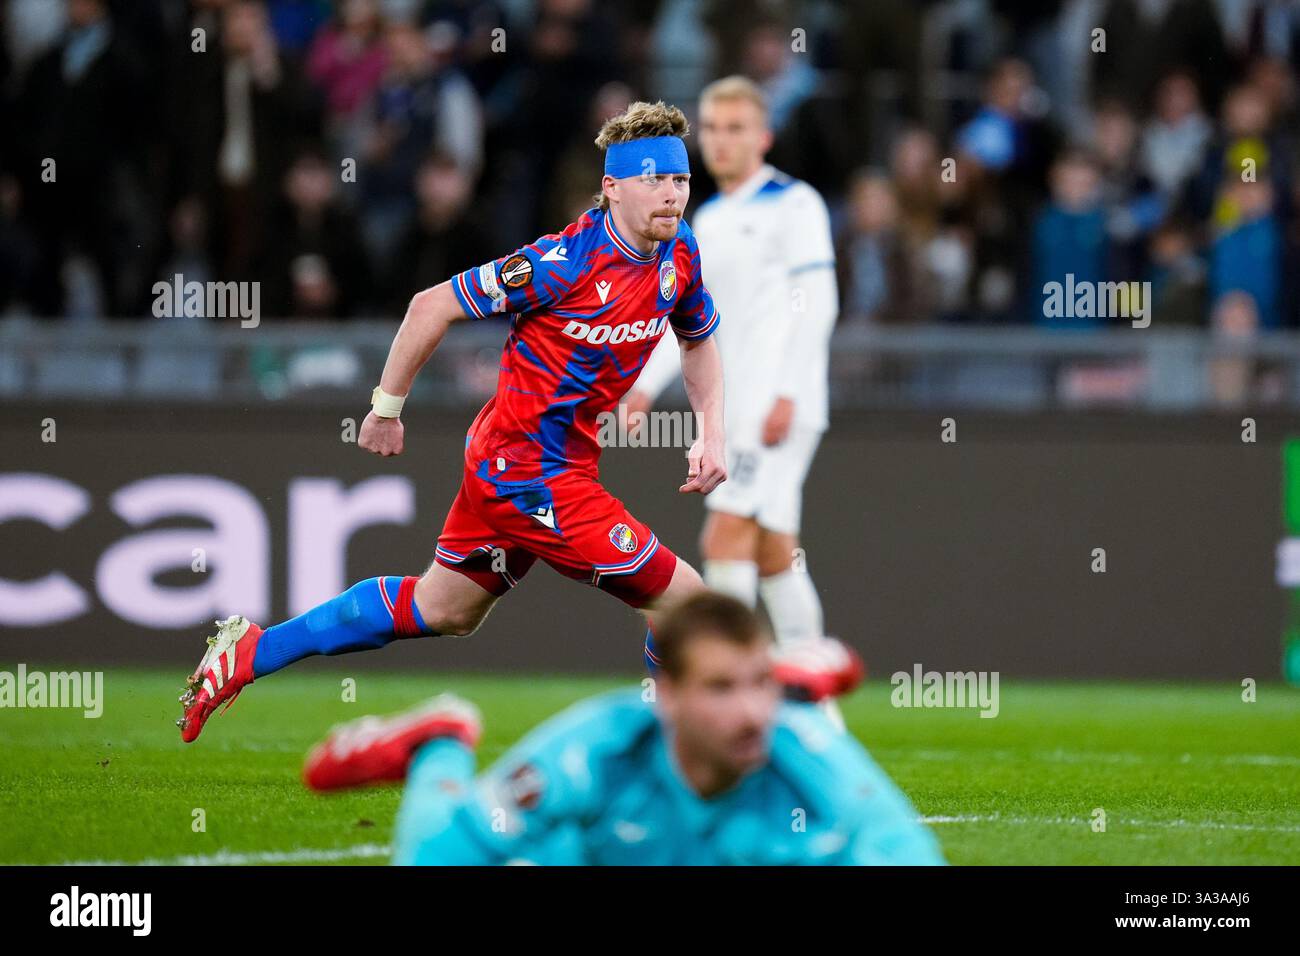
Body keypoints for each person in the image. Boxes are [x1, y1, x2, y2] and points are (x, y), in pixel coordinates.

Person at [302, 591, 940, 866]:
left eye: (759, 686)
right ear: (666, 697)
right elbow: (440, 854)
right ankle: (438, 743)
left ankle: (804, 673)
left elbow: (906, 850)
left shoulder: (809, 758)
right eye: (719, 688)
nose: (750, 715)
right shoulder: (595, 752)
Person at [623, 77, 841, 720]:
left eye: (735, 127)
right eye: (712, 128)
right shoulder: (705, 223)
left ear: (764, 136)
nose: (721, 139)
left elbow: (818, 304)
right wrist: (641, 386)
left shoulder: (794, 205)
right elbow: (687, 325)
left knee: (724, 540)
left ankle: (736, 696)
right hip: (739, 414)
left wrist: (787, 393)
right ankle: (819, 705)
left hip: (774, 410)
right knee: (775, 549)